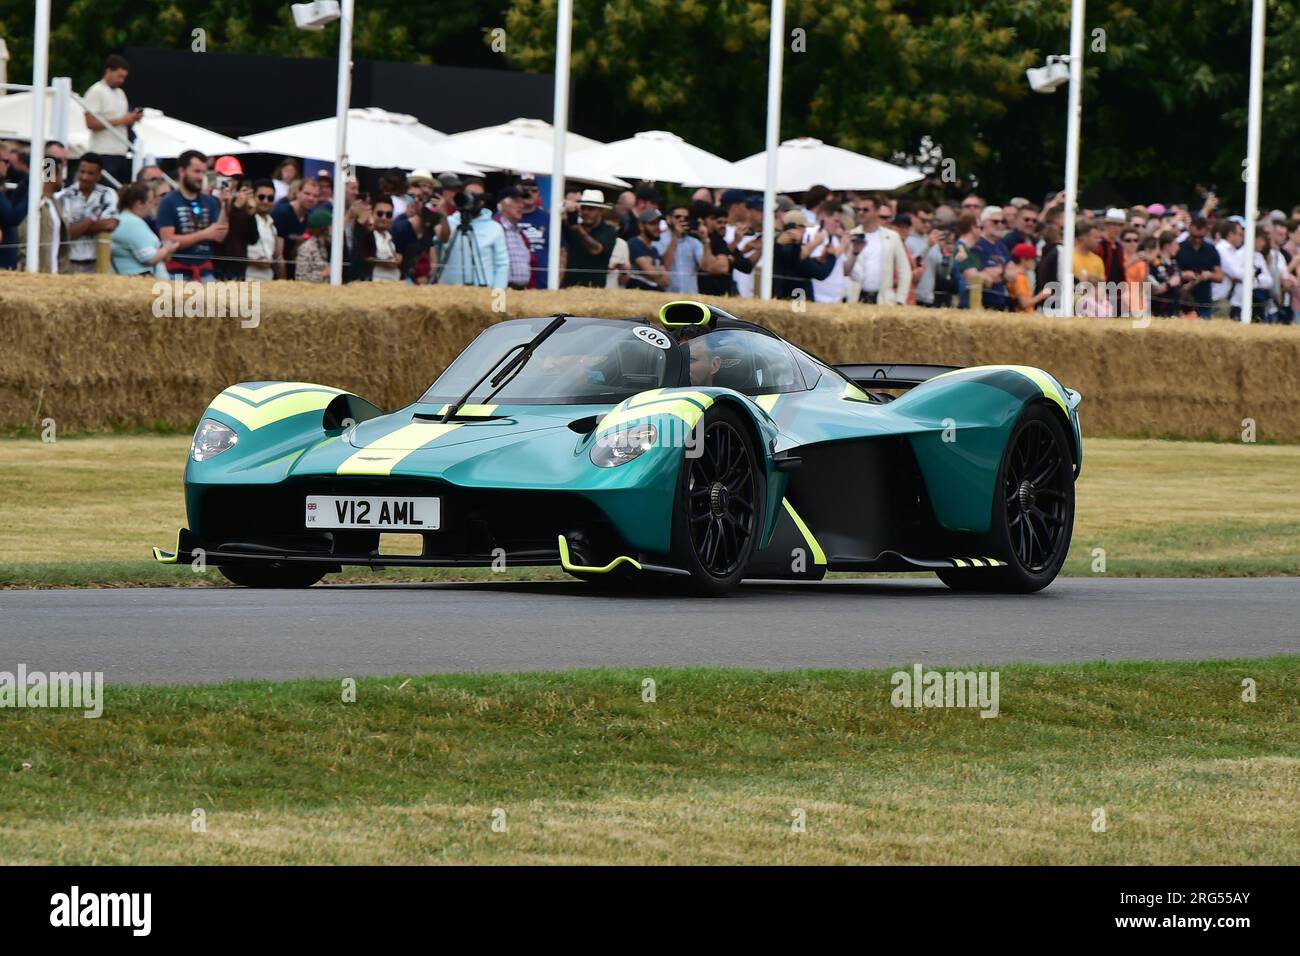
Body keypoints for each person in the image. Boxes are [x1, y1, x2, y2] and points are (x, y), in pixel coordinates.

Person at [155, 150, 225, 281]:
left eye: (204, 172)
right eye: (196, 171)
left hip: (205, 271)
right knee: (178, 301)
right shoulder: (168, 201)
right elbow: (168, 240)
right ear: (182, 171)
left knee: (214, 301)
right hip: (177, 271)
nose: (201, 177)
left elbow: (220, 236)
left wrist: (226, 205)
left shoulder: (210, 201)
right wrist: (204, 234)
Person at [55, 152, 119, 274]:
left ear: (99, 175)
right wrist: (93, 218)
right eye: (82, 172)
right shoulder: (64, 196)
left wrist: (77, 227)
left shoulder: (107, 194)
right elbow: (66, 233)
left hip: (97, 262)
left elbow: (110, 224)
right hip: (68, 261)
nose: (84, 177)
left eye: (90, 173)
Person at [82, 55, 141, 185]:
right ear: (108, 71)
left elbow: (122, 119)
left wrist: (132, 118)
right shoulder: (95, 91)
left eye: (124, 77)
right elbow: (90, 122)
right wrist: (122, 120)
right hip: (103, 152)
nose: (122, 80)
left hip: (121, 151)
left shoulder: (121, 93)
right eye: (119, 76)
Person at [844, 194, 911, 304]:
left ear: (876, 211)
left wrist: (900, 300)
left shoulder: (893, 237)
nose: (861, 213)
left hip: (884, 300)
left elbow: (904, 270)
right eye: (858, 210)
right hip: (855, 298)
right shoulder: (851, 235)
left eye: (865, 210)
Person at [439, 185, 508, 288]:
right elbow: (438, 242)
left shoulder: (495, 228)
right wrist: (443, 217)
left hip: (482, 295)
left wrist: (498, 302)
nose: (470, 199)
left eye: (475, 196)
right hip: (448, 293)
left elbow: (502, 265)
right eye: (467, 195)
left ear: (482, 201)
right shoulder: (449, 222)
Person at [18, 142, 70, 274]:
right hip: (39, 272)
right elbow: (24, 236)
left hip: (55, 271)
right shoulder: (37, 204)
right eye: (59, 174)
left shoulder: (54, 203)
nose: (62, 179)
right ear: (52, 176)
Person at [110, 181, 177, 278]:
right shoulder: (133, 223)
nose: (151, 205)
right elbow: (150, 258)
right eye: (149, 202)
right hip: (140, 281)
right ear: (139, 204)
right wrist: (167, 248)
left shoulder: (121, 219)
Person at [210, 157, 259, 280]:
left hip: (239, 268)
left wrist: (251, 214)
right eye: (229, 177)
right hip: (218, 267)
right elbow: (219, 236)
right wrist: (235, 207)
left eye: (237, 178)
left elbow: (253, 239)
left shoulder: (241, 201)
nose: (233, 182)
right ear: (218, 177)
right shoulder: (209, 200)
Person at [560, 189, 617, 288]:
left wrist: (578, 229)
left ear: (601, 211)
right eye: (583, 208)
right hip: (569, 287)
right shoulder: (570, 227)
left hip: (594, 289)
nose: (586, 212)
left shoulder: (608, 231)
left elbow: (595, 249)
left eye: (590, 209)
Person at [654, 204, 715, 294]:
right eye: (678, 217)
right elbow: (665, 265)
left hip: (690, 296)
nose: (682, 220)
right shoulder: (659, 240)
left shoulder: (694, 242)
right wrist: (676, 237)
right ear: (668, 219)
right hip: (667, 295)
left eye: (686, 218)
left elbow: (706, 267)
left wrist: (705, 240)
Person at [1174, 214, 1223, 319]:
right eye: (1194, 236)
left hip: (1203, 301)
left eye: (1201, 237)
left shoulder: (1211, 249)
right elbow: (1169, 269)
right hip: (1182, 300)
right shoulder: (1179, 247)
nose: (1197, 240)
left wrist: (1208, 275)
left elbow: (1220, 277)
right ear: (1189, 230)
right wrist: (1182, 274)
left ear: (1205, 232)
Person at [271, 177, 319, 280]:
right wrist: (284, 283)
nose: (311, 198)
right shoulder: (282, 213)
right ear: (298, 193)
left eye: (315, 196)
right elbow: (279, 256)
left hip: (297, 275)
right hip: (276, 277)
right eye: (307, 193)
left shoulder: (310, 218)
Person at [515, 175, 550, 288]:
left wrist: (556, 283)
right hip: (513, 282)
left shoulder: (548, 218)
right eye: (525, 190)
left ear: (538, 193)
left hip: (542, 283)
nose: (529, 193)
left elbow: (561, 251)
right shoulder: (506, 216)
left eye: (534, 190)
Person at [245, 179, 282, 282]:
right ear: (252, 197)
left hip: (267, 281)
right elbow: (234, 251)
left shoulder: (272, 226)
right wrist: (255, 262)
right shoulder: (245, 219)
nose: (266, 201)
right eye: (261, 197)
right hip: (247, 279)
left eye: (270, 198)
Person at [626, 209, 670, 291]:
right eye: (652, 223)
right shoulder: (634, 243)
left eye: (658, 223)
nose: (657, 227)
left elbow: (667, 282)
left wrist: (655, 272)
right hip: (638, 294)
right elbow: (651, 273)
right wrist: (658, 272)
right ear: (641, 226)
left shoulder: (654, 250)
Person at [365, 196, 402, 283]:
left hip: (394, 284)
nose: (384, 218)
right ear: (371, 213)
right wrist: (384, 262)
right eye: (380, 213)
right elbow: (362, 258)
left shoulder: (392, 237)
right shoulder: (366, 234)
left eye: (388, 214)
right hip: (374, 283)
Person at [294, 209, 332, 283]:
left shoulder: (326, 245)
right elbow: (301, 278)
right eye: (331, 226)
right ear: (324, 228)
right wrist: (323, 274)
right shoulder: (307, 248)